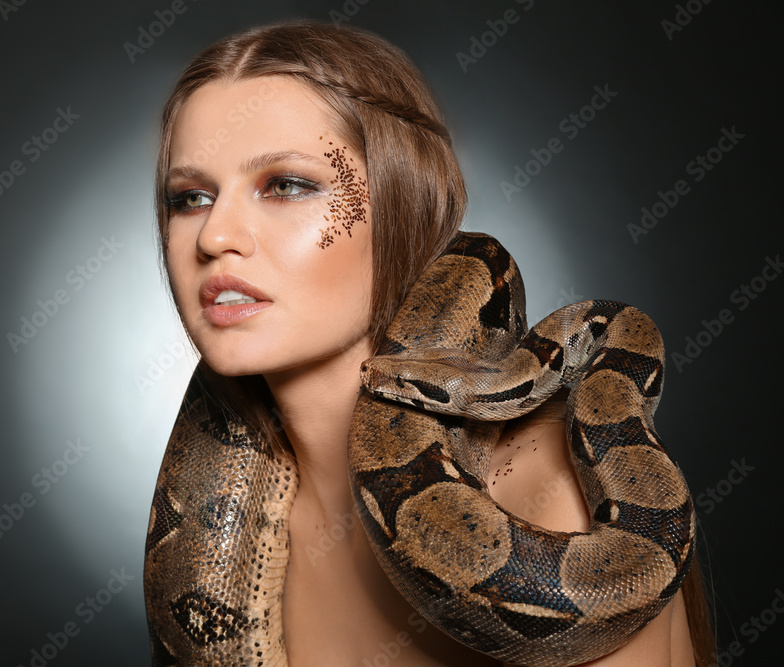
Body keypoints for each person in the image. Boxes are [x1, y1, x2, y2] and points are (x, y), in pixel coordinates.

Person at [152, 19, 714, 666]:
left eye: (286, 184)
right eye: (189, 196)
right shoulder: (241, 517)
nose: (215, 235)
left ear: (404, 207)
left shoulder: (554, 497)